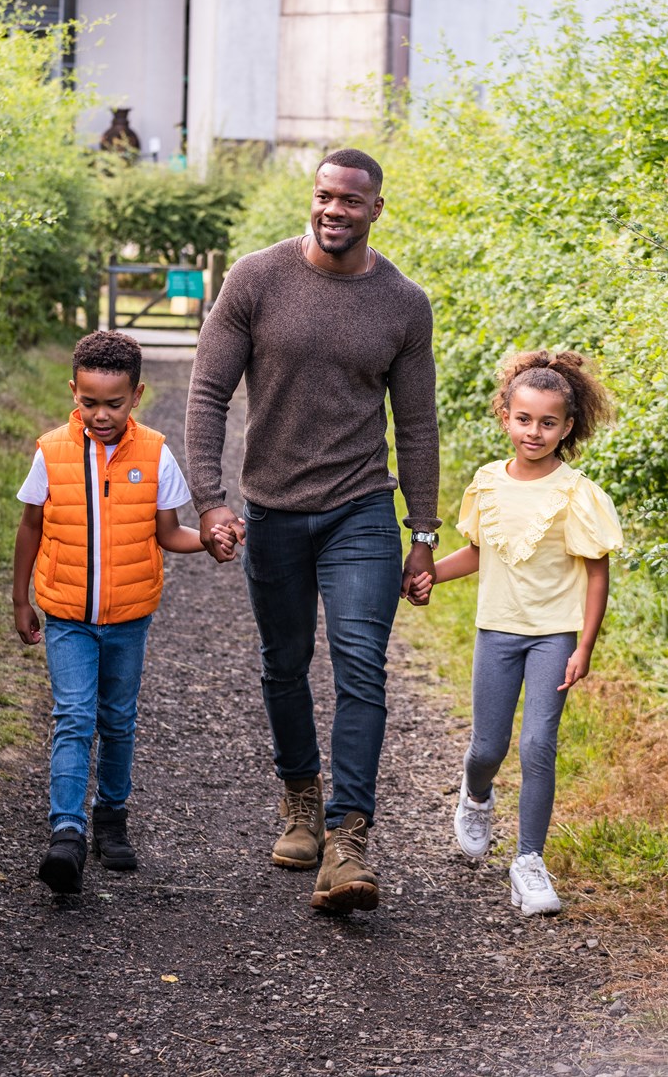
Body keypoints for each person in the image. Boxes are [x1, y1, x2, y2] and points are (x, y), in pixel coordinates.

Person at [185, 148, 440, 914]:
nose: (335, 211)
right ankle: (299, 797)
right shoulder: (256, 280)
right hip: (272, 510)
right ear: (314, 198)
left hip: (362, 507)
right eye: (325, 196)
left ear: (376, 210)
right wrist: (210, 501)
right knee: (283, 661)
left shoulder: (403, 302)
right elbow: (205, 395)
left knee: (362, 664)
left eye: (351, 202)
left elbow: (418, 425)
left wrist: (422, 530)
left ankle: (349, 837)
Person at [12, 330, 232, 895]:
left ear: (137, 395)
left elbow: (169, 533)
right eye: (89, 402)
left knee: (117, 720)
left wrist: (209, 540)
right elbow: (31, 526)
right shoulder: (51, 451)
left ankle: (111, 817)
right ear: (74, 392)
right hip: (65, 614)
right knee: (74, 717)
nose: (100, 414)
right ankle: (66, 833)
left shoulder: (156, 454)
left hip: (130, 616)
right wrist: (20, 599)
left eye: (113, 403)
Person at [409, 350, 621, 916]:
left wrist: (584, 646)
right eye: (524, 419)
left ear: (567, 427)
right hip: (497, 634)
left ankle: (528, 862)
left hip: (553, 636)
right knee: (488, 747)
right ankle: (476, 795)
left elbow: (597, 573)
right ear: (505, 416)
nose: (535, 431)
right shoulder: (486, 484)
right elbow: (479, 553)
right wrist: (427, 573)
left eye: (548, 422)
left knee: (537, 746)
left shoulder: (577, 493)